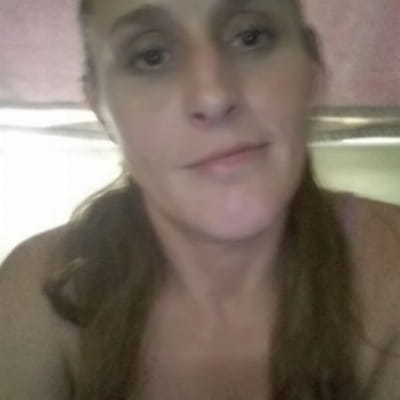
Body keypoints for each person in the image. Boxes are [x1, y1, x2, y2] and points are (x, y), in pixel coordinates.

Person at [0, 0, 399, 399]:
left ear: (312, 69)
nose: (213, 97)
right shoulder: (35, 288)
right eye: (152, 56)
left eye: (250, 37)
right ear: (100, 106)